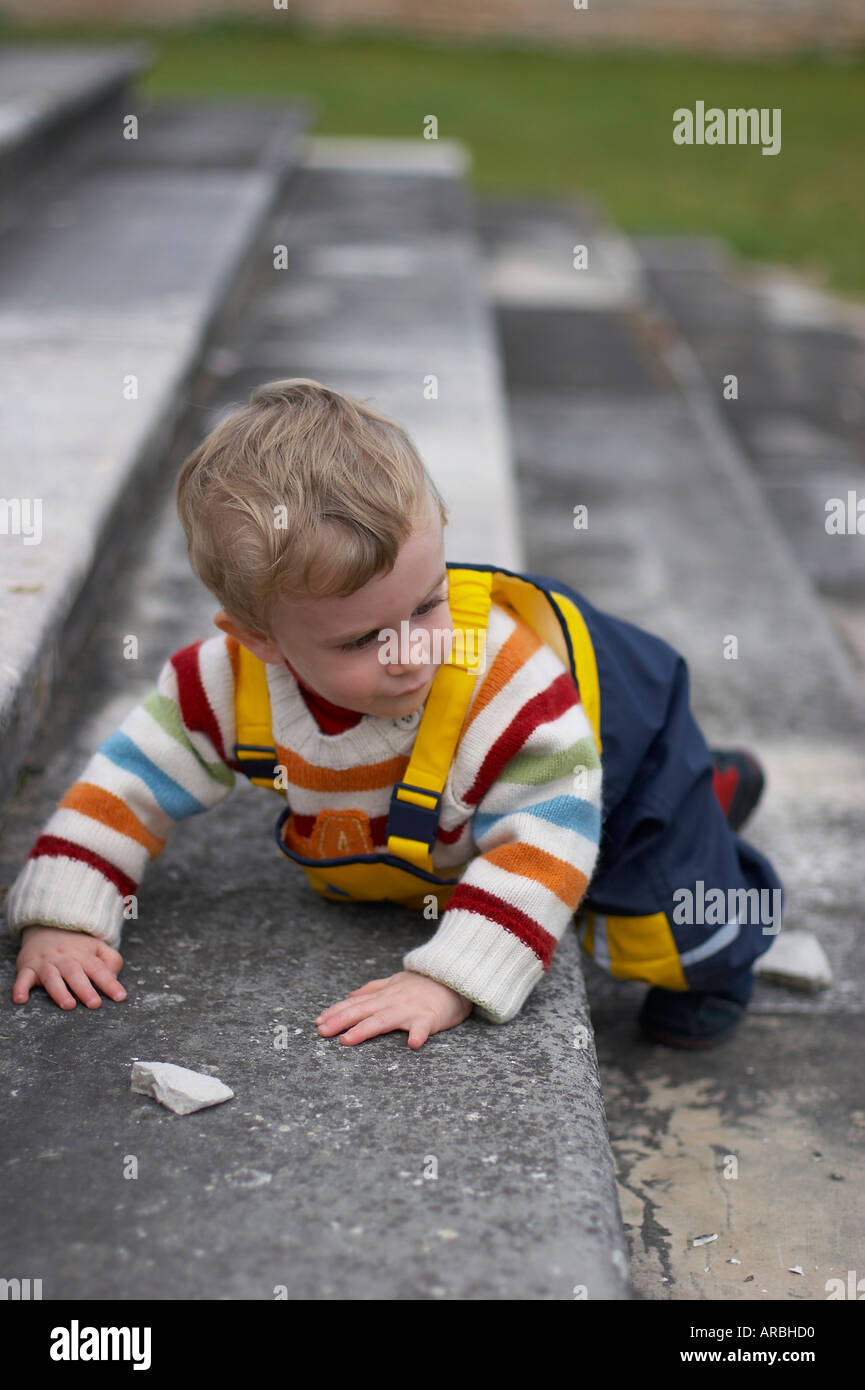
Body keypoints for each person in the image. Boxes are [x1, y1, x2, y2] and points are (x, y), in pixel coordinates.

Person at [5, 378, 782, 1050]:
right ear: (261, 640)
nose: (410, 650)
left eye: (427, 603)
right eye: (363, 637)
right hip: (496, 784)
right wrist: (67, 910)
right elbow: (130, 779)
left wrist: (452, 980)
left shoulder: (508, 687)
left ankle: (715, 926)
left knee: (664, 912)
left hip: (607, 750)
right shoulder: (228, 683)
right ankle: (711, 785)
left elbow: (543, 844)